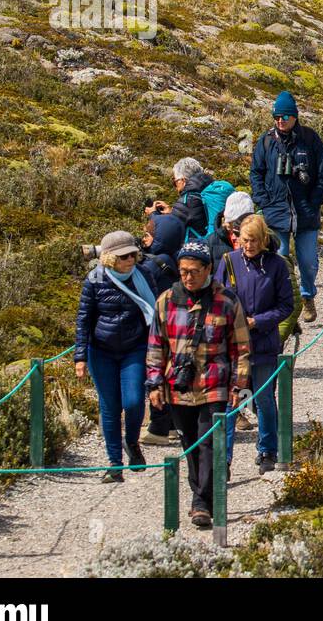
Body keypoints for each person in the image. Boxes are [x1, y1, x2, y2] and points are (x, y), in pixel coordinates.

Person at [146, 241, 251, 529]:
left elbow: (241, 347)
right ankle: (201, 494)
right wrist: (154, 383)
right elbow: (156, 345)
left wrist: (239, 386)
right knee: (190, 444)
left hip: (215, 383)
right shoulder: (166, 301)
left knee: (208, 443)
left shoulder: (227, 301)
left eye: (193, 271)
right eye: (182, 271)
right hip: (178, 387)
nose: (187, 277)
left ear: (207, 270)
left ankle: (202, 502)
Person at [74, 231, 158, 482]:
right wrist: (80, 357)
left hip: (135, 348)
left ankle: (131, 442)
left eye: (133, 254)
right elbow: (83, 319)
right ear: (110, 258)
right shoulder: (94, 280)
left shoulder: (144, 276)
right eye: (124, 256)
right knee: (109, 407)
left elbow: (155, 315)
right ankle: (114, 464)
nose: (130, 260)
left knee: (133, 401)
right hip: (101, 351)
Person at [215, 215, 292, 475]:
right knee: (229, 403)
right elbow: (216, 297)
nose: (248, 245)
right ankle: (223, 460)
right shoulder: (228, 261)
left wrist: (257, 321)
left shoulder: (277, 265)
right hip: (232, 345)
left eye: (253, 241)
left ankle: (267, 450)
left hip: (263, 344)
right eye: (244, 240)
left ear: (264, 240)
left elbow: (286, 306)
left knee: (264, 400)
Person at [250, 91, 323, 324]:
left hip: (306, 212)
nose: (280, 120)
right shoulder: (266, 142)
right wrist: (263, 201)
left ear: (295, 116)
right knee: (280, 260)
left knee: (307, 261)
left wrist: (315, 200)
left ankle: (307, 296)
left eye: (285, 116)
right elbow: (256, 173)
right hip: (276, 212)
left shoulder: (310, 139)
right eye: (276, 116)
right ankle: (285, 307)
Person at [138, 211, 186, 446]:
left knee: (157, 375)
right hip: (175, 327)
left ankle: (158, 427)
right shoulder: (176, 258)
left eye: (148, 234)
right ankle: (172, 426)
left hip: (158, 329)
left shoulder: (153, 265)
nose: (144, 238)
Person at [145, 158, 217, 240]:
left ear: (183, 180)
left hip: (196, 249)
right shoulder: (209, 192)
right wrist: (172, 212)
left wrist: (153, 214)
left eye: (175, 182)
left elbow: (166, 230)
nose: (176, 187)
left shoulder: (187, 200)